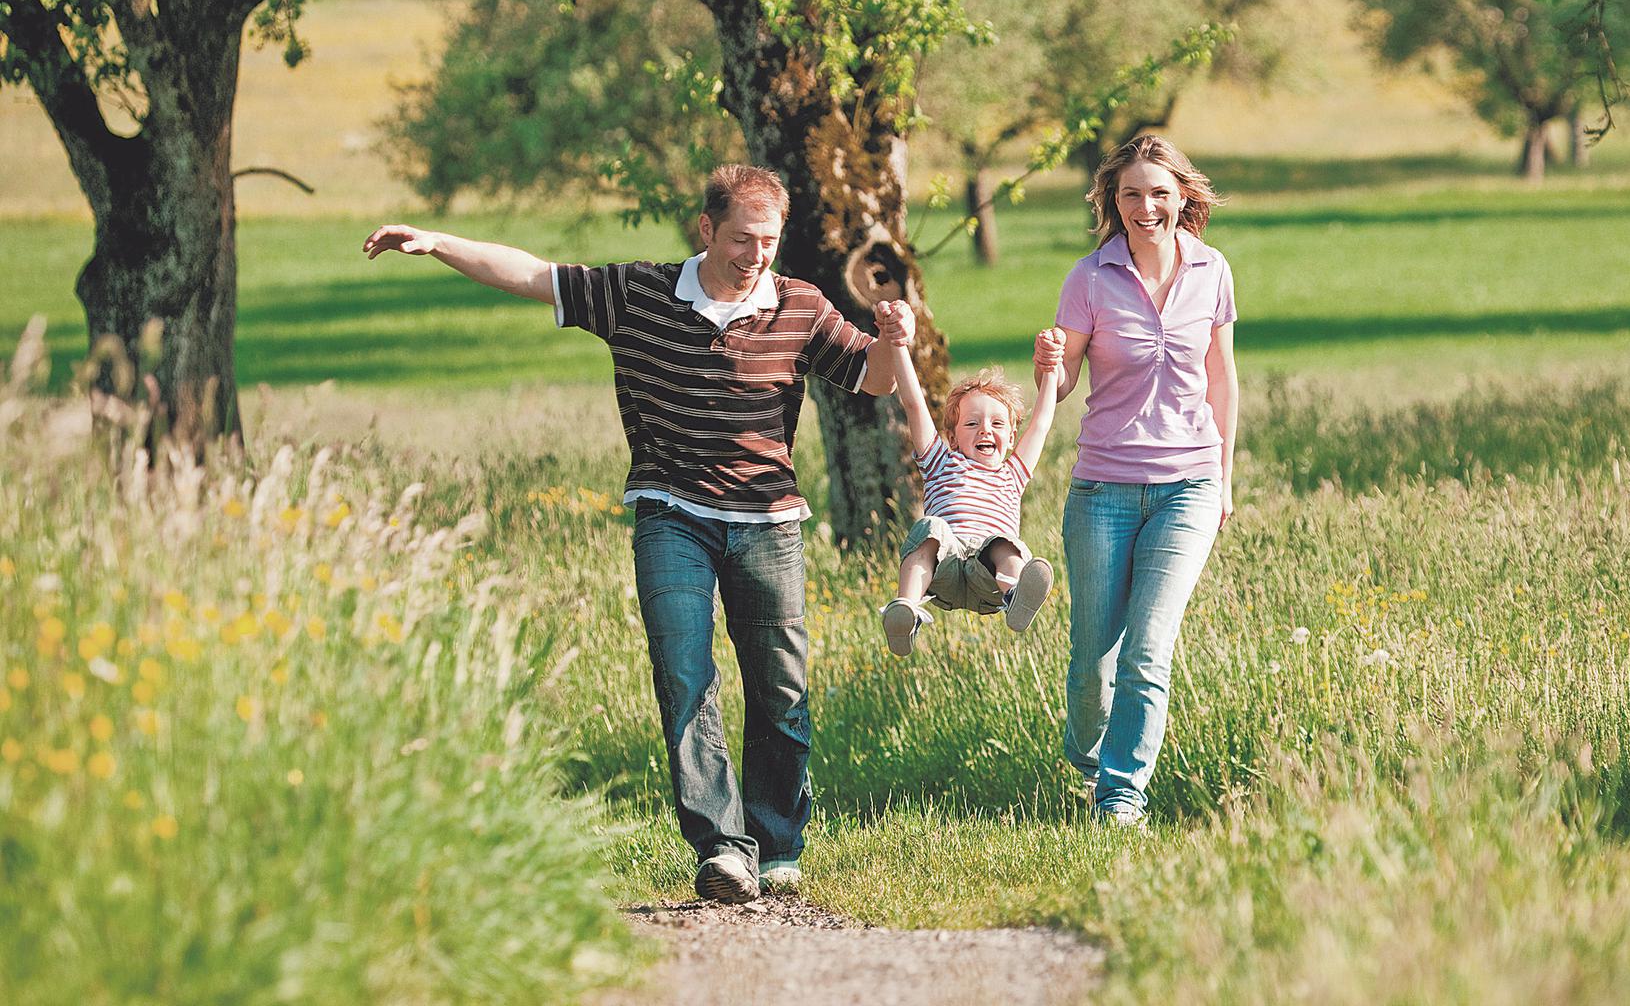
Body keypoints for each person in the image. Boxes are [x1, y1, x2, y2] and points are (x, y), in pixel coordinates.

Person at [362, 165, 914, 903]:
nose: (755, 255)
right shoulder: (639, 294)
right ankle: (723, 847)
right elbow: (532, 274)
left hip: (768, 520)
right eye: (743, 238)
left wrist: (892, 340)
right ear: (706, 228)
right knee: (684, 672)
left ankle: (778, 843)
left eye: (769, 241)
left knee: (779, 688)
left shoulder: (799, 306)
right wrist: (436, 243)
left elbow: (871, 380)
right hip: (670, 511)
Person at [1032, 135, 1238, 828]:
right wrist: (1048, 367)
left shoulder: (1212, 271)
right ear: (1111, 202)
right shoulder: (1089, 278)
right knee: (1095, 663)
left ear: (1184, 196)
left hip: (1189, 484)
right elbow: (1061, 386)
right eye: (1130, 194)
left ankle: (1122, 798)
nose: (1145, 206)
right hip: (1103, 491)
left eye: (1158, 192)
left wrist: (1224, 479)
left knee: (1149, 649)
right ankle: (1088, 765)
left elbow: (1222, 379)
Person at [877, 336, 1066, 656]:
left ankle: (1015, 596)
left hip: (987, 579)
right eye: (972, 423)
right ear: (951, 436)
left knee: (1002, 543)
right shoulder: (940, 462)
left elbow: (1041, 424)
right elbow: (913, 404)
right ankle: (905, 611)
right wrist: (898, 343)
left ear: (1010, 437)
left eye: (996, 424)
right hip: (944, 571)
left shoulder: (1013, 474)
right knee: (930, 528)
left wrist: (1050, 369)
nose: (985, 430)